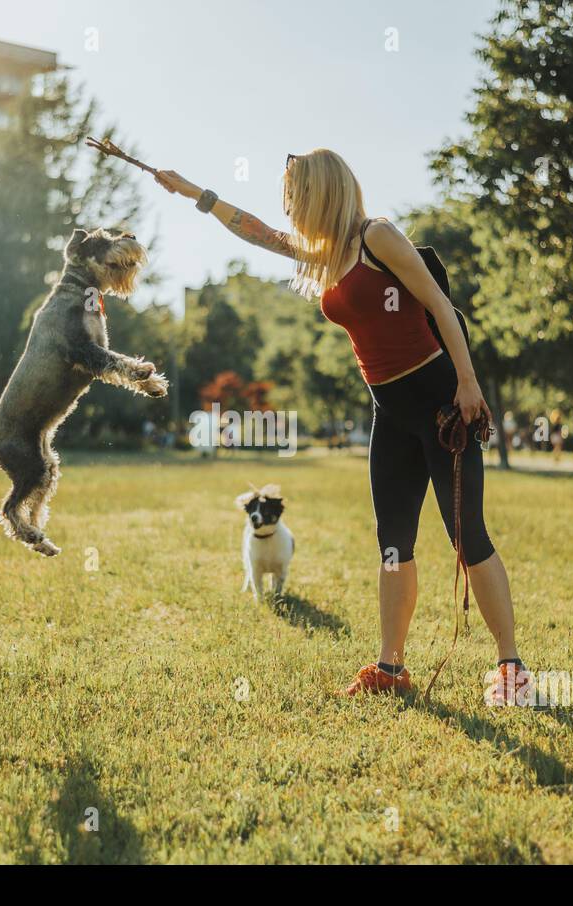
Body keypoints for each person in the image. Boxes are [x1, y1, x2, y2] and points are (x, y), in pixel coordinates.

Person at [155, 150, 524, 700]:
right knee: (393, 544)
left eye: (296, 197)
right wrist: (194, 194)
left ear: (321, 193)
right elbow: (256, 233)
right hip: (390, 411)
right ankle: (391, 670)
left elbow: (442, 308)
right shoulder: (325, 255)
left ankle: (512, 670)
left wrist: (469, 385)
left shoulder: (378, 238)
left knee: (467, 535)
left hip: (441, 400)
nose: (290, 208)